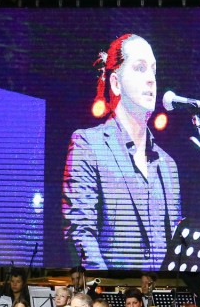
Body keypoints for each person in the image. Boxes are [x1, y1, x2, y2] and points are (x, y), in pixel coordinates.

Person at [62, 33, 180, 270]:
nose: (151, 79)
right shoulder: (89, 145)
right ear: (115, 83)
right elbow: (79, 231)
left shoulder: (168, 164)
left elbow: (176, 244)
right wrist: (111, 290)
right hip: (111, 299)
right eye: (139, 68)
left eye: (153, 70)